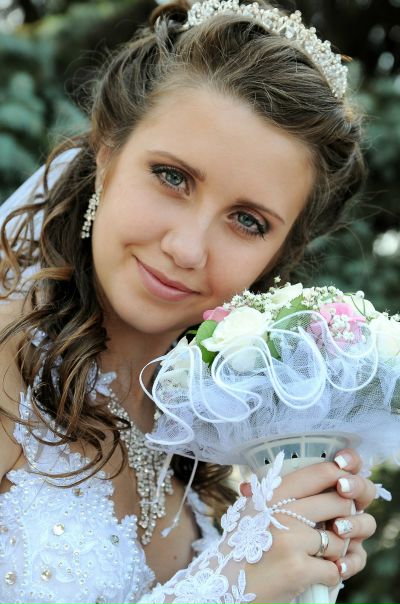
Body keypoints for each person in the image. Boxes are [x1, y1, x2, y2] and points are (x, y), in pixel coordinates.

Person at [0, 0, 379, 602]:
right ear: (107, 156)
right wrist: (228, 585)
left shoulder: (218, 443)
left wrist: (297, 573)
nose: (186, 249)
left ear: (277, 255)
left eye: (248, 221)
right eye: (172, 177)